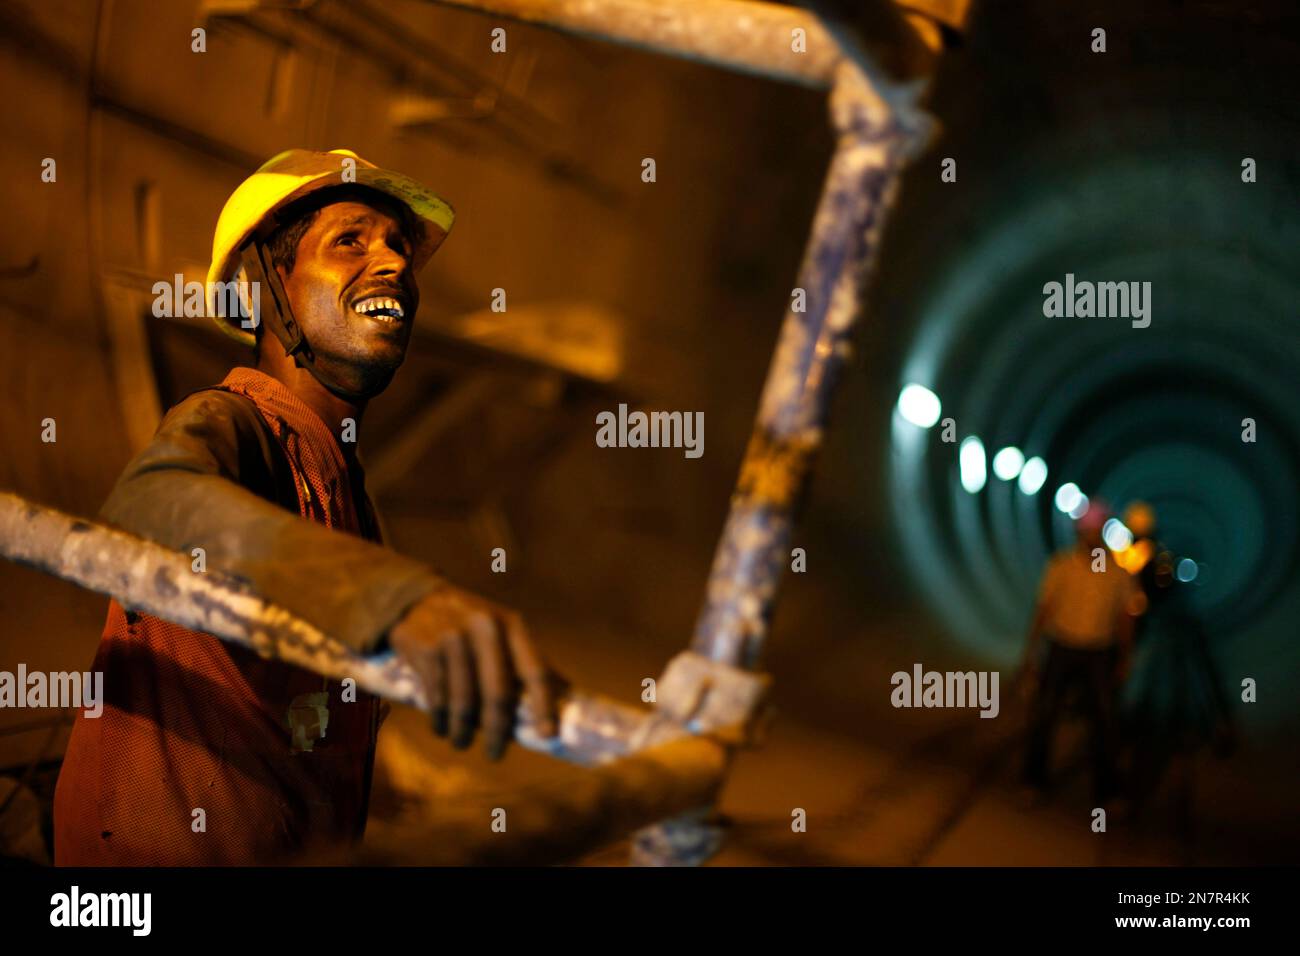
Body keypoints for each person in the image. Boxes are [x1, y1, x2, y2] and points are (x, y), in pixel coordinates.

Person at [54, 149, 560, 865]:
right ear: (268, 286)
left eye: (398, 249)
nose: (392, 266)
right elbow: (150, 501)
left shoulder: (345, 486)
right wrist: (389, 599)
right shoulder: (231, 425)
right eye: (350, 240)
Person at [1019, 502, 1139, 806]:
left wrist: (1125, 658)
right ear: (1078, 533)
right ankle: (1032, 780)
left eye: (1095, 532)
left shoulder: (1117, 574)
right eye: (1086, 531)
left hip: (1099, 652)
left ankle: (1107, 792)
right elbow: (1044, 610)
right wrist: (1031, 651)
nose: (1090, 537)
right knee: (1045, 713)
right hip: (1062, 647)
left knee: (1105, 720)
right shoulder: (1061, 566)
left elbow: (1125, 619)